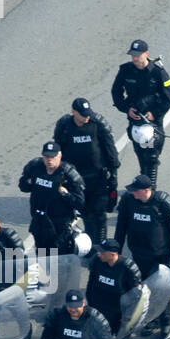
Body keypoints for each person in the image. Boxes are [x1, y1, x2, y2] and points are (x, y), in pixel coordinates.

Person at [114, 174, 170, 339]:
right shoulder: (129, 202)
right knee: (143, 290)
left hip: (159, 255)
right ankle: (152, 319)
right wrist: (116, 250)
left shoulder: (161, 203)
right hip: (137, 254)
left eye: (136, 191)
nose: (132, 193)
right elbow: (121, 227)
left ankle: (166, 323)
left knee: (160, 289)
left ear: (146, 190)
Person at [54, 98, 121, 247]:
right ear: (74, 112)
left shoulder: (97, 124)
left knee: (99, 214)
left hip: (97, 178)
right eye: (83, 114)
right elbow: (58, 151)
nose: (86, 117)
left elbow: (110, 150)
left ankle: (101, 247)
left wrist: (114, 175)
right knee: (86, 214)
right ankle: (92, 246)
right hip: (75, 179)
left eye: (88, 114)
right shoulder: (64, 126)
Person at [111, 39, 170, 185]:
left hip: (153, 121)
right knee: (140, 152)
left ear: (146, 54)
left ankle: (150, 189)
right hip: (135, 119)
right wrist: (127, 109)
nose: (134, 58)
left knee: (151, 156)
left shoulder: (159, 73)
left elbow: (168, 98)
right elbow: (116, 92)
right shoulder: (125, 70)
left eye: (137, 55)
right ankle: (143, 181)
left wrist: (155, 113)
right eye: (132, 55)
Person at [18, 141, 86, 253]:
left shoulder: (68, 174)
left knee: (60, 258)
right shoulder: (35, 168)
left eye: (52, 157)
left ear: (59, 156)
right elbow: (22, 186)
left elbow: (80, 203)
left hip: (59, 226)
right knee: (42, 256)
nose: (49, 160)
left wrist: (66, 194)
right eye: (46, 157)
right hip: (39, 221)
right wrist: (29, 183)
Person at [85, 238, 142, 339]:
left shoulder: (127, 268)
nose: (99, 254)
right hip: (99, 309)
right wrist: (90, 307)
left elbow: (135, 295)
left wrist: (127, 317)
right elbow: (90, 284)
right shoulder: (97, 261)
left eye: (102, 252)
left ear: (112, 254)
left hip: (118, 313)